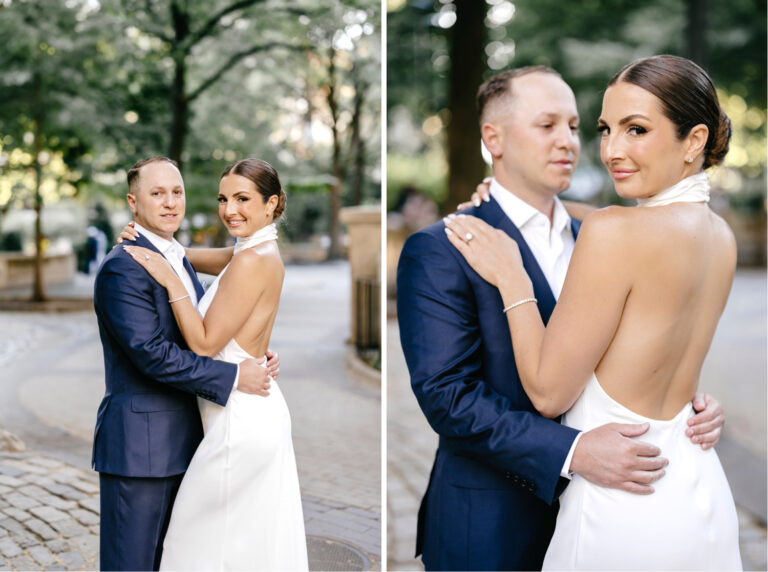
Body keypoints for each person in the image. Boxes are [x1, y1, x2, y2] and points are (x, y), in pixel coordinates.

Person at [396, 65, 726, 571]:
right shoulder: (439, 248)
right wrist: (574, 451)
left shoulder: (605, 230)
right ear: (493, 138)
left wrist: (689, 404)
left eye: (574, 126)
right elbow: (448, 398)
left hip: (614, 513)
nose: (572, 142)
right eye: (548, 125)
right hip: (492, 527)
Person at [93, 156, 279, 571]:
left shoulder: (175, 255)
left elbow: (227, 303)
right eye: (157, 193)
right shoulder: (123, 269)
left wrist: (252, 351)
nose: (170, 202)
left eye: (176, 192)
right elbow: (153, 356)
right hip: (142, 449)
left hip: (193, 439)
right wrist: (235, 375)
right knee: (132, 563)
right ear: (132, 202)